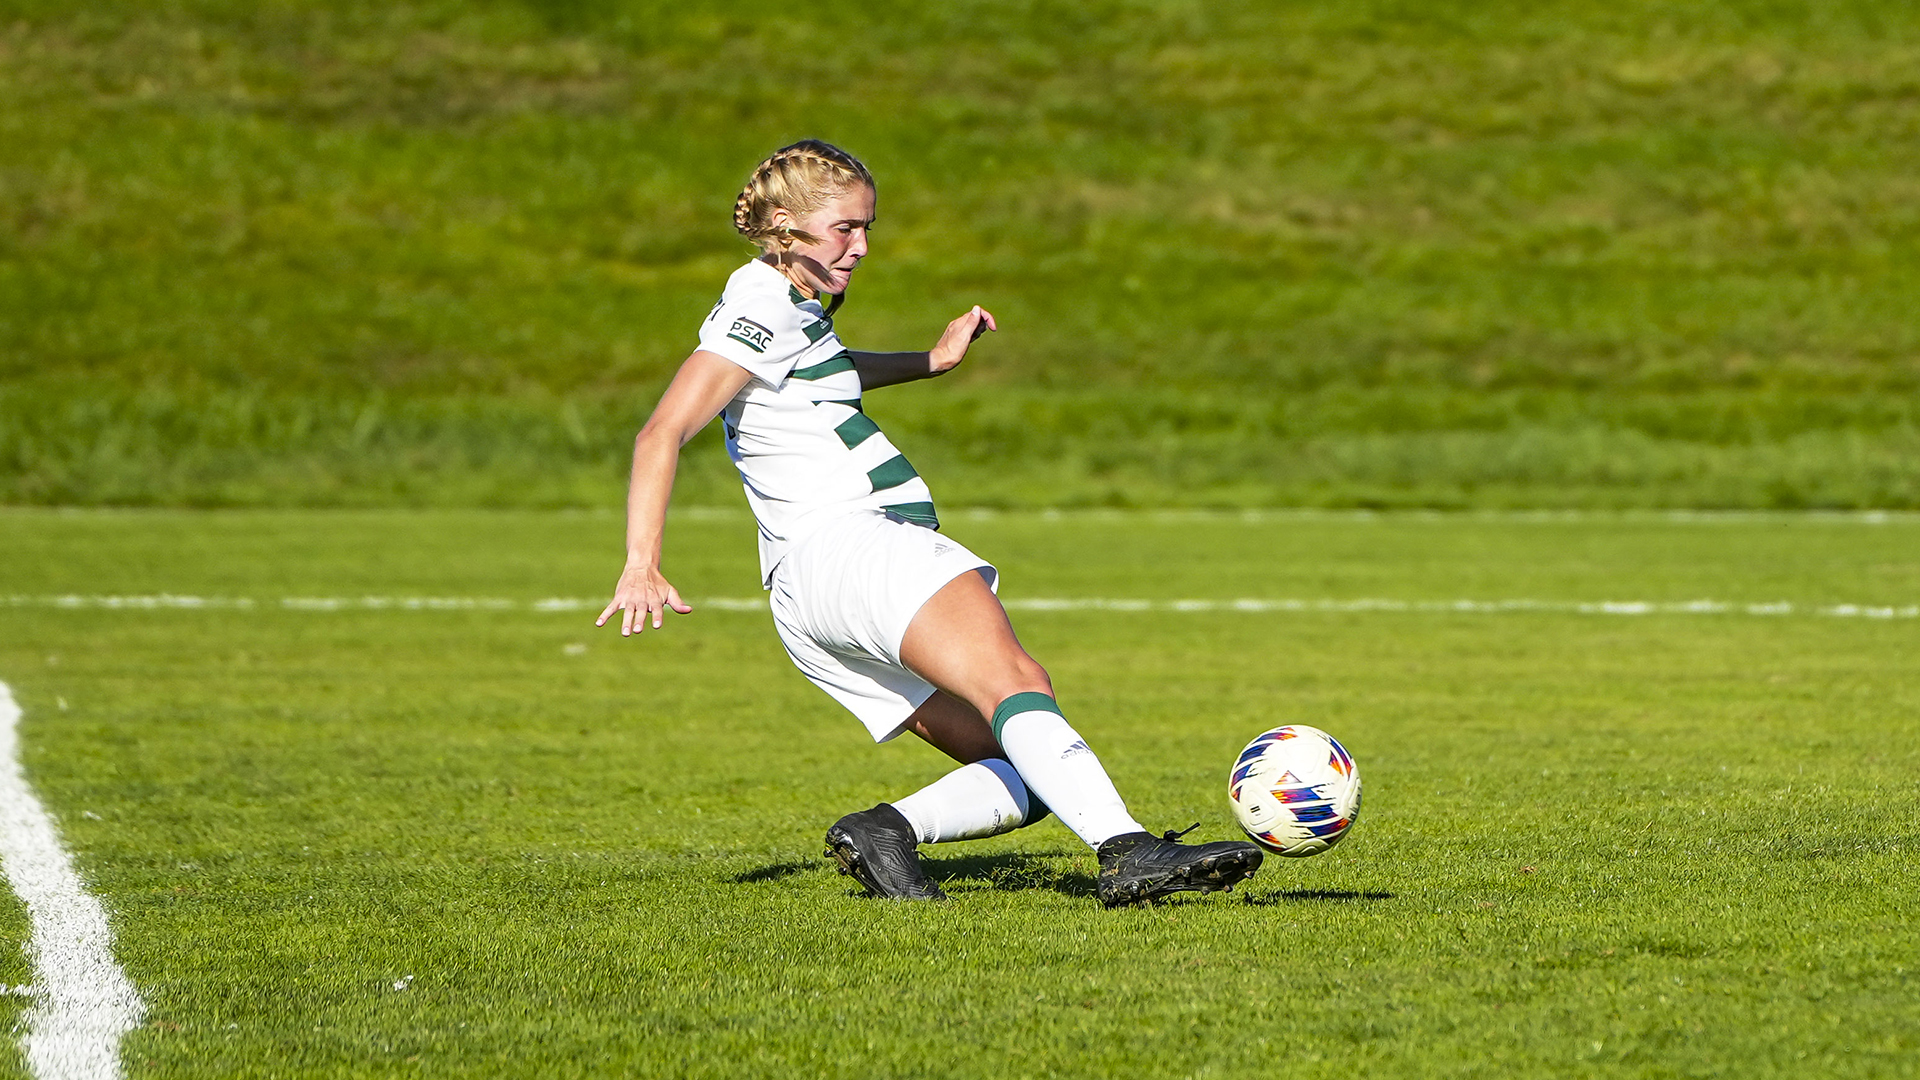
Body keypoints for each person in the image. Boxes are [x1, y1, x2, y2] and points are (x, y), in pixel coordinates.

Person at [596, 139, 1262, 906]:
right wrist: (640, 561)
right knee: (1019, 685)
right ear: (784, 225)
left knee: (1024, 758)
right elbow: (661, 430)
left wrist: (929, 360)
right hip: (858, 549)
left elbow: (820, 369)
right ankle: (1129, 852)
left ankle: (885, 833)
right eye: (845, 228)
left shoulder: (788, 306)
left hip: (807, 593)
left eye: (868, 227)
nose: (862, 246)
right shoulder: (760, 302)